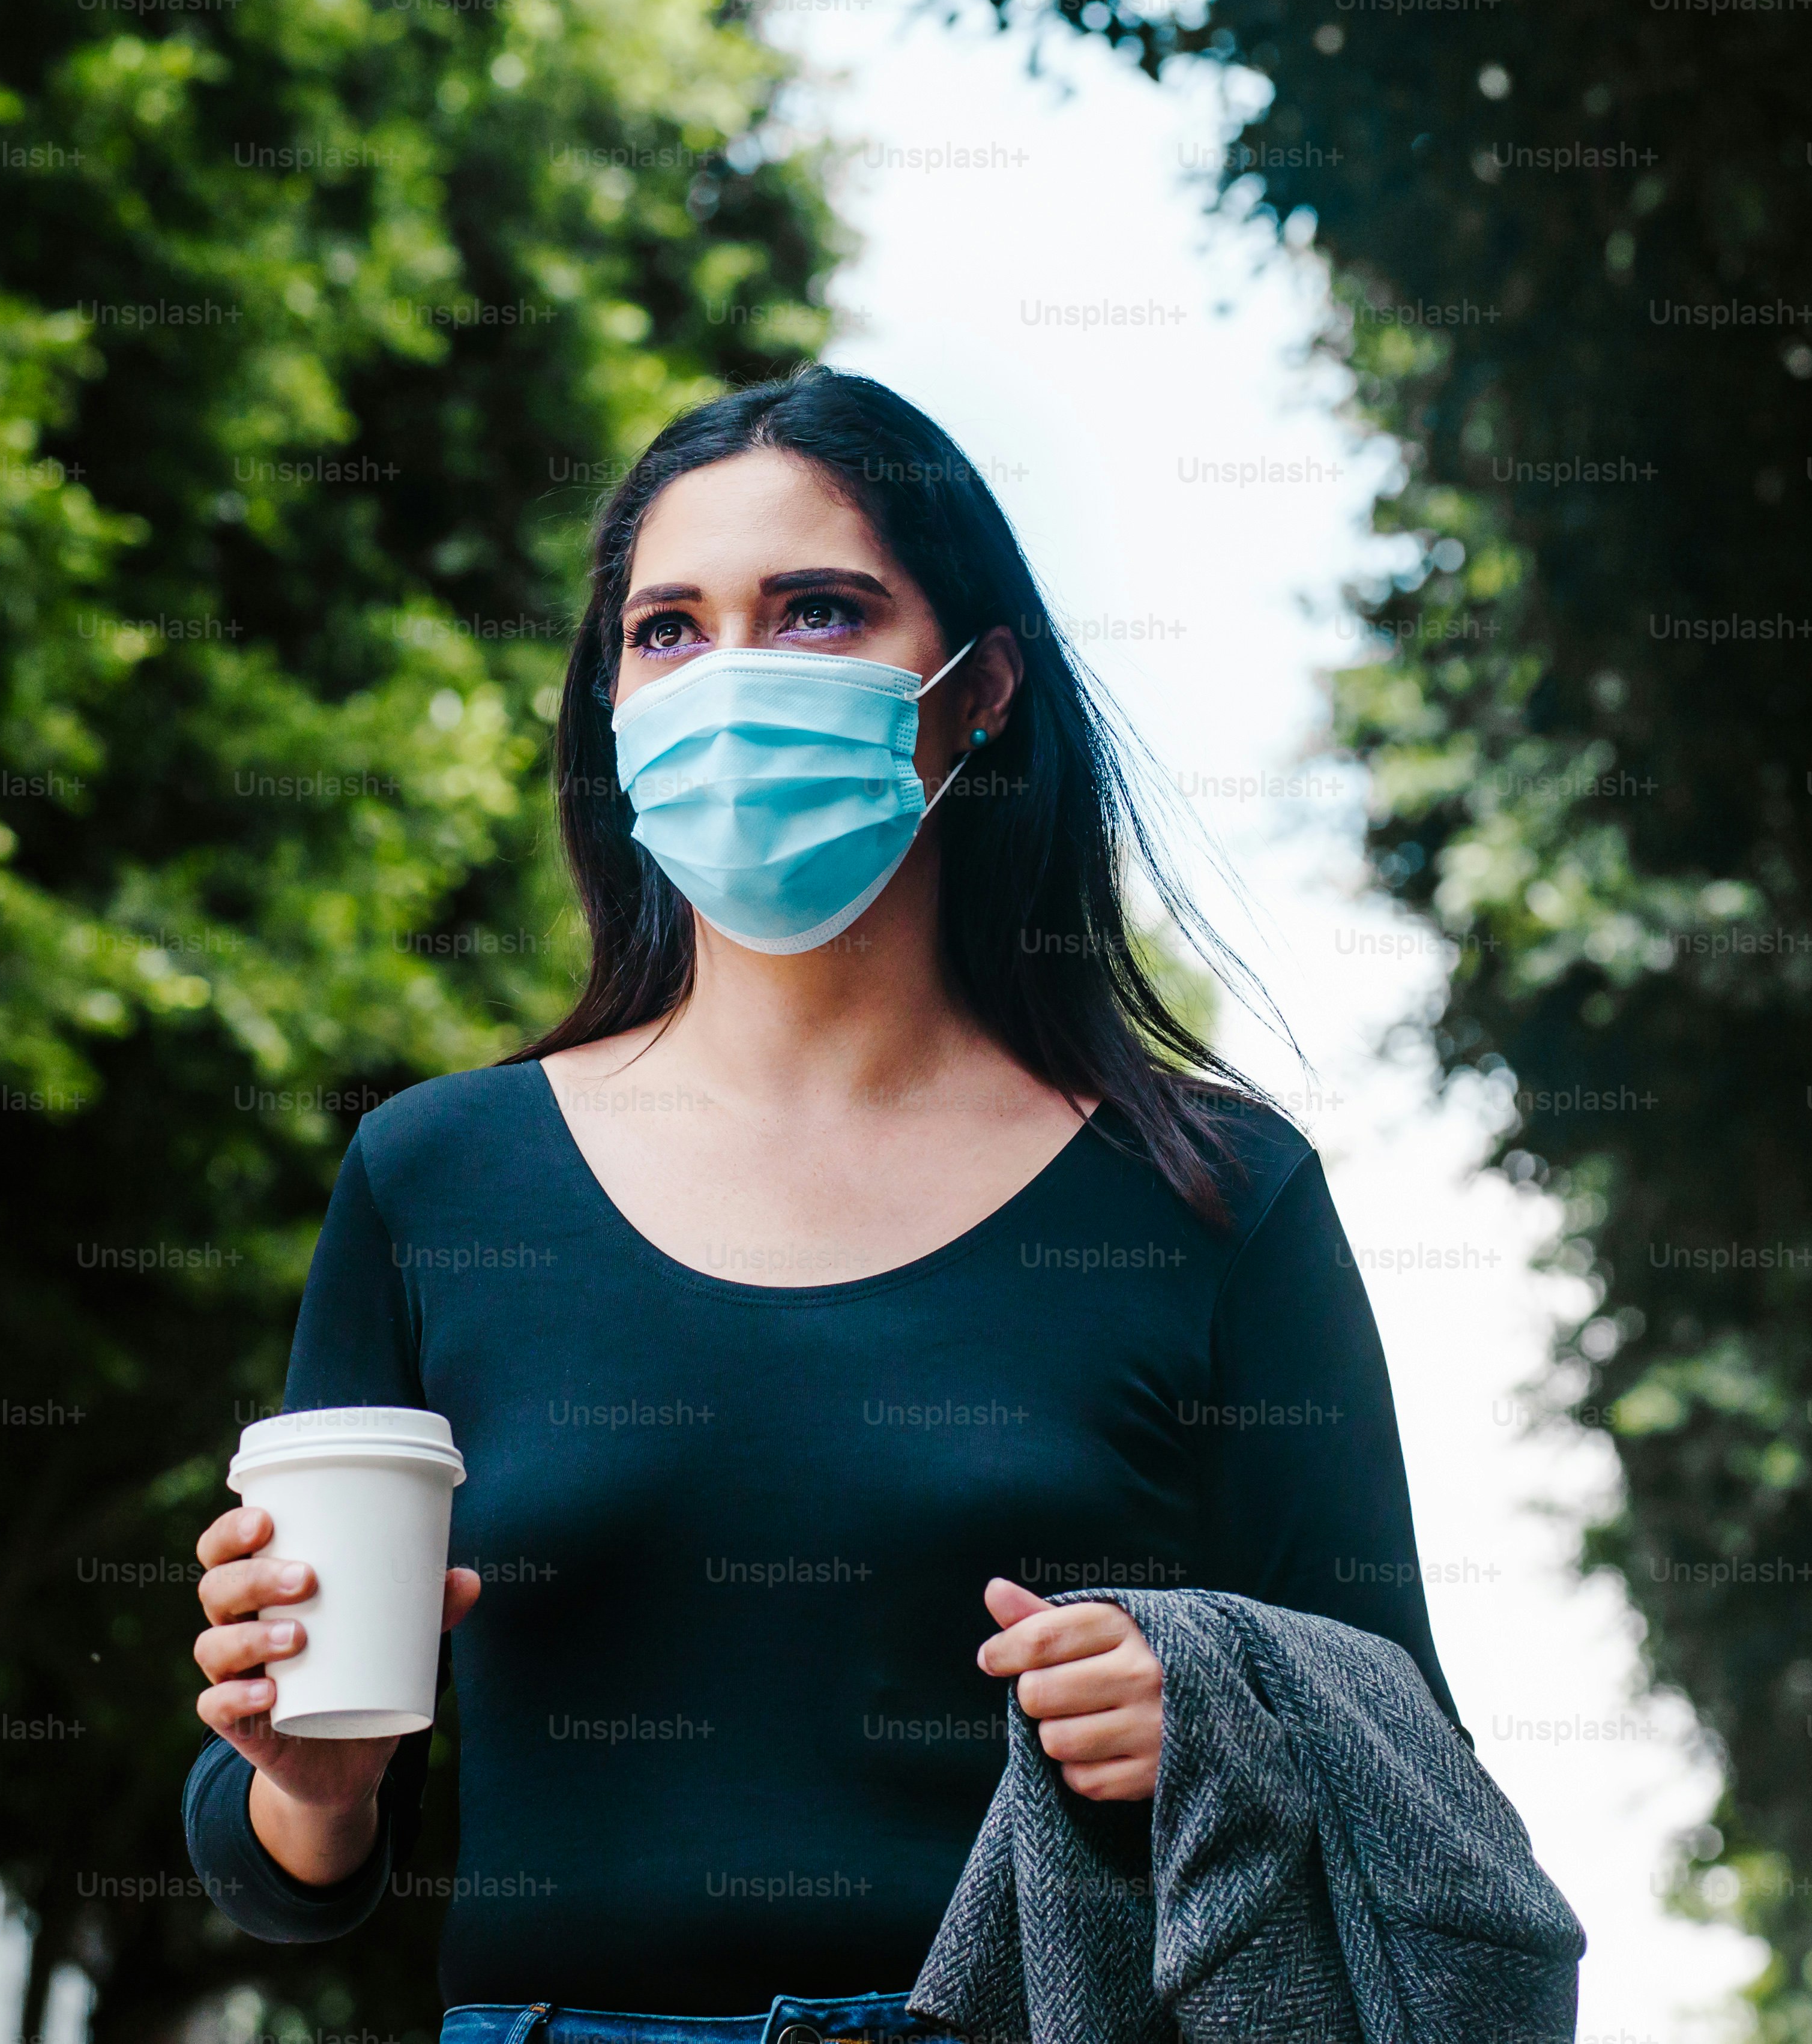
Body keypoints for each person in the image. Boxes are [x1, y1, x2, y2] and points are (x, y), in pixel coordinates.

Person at [181, 366, 1457, 2044]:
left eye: (819, 612)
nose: (732, 680)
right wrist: (312, 1786)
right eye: (669, 631)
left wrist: (1219, 1730)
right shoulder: (435, 1180)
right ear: (612, 704)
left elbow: (1415, 1783)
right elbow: (283, 1863)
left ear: (978, 687)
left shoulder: (1213, 1197)